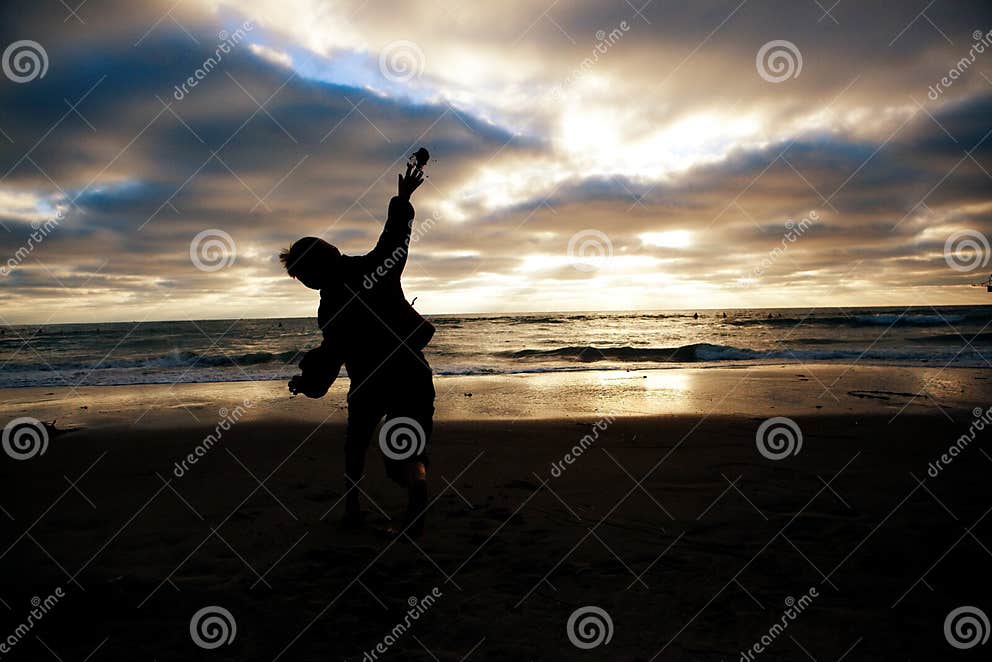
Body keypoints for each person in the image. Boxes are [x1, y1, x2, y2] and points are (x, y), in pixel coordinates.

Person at [279, 163, 434, 538]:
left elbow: (331, 354)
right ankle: (412, 491)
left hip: (372, 381)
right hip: (410, 371)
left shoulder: (330, 307)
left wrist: (309, 383)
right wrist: (402, 199)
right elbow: (394, 238)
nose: (307, 282)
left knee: (357, 446)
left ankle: (354, 509)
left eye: (304, 276)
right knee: (404, 449)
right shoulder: (374, 268)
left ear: (314, 272)